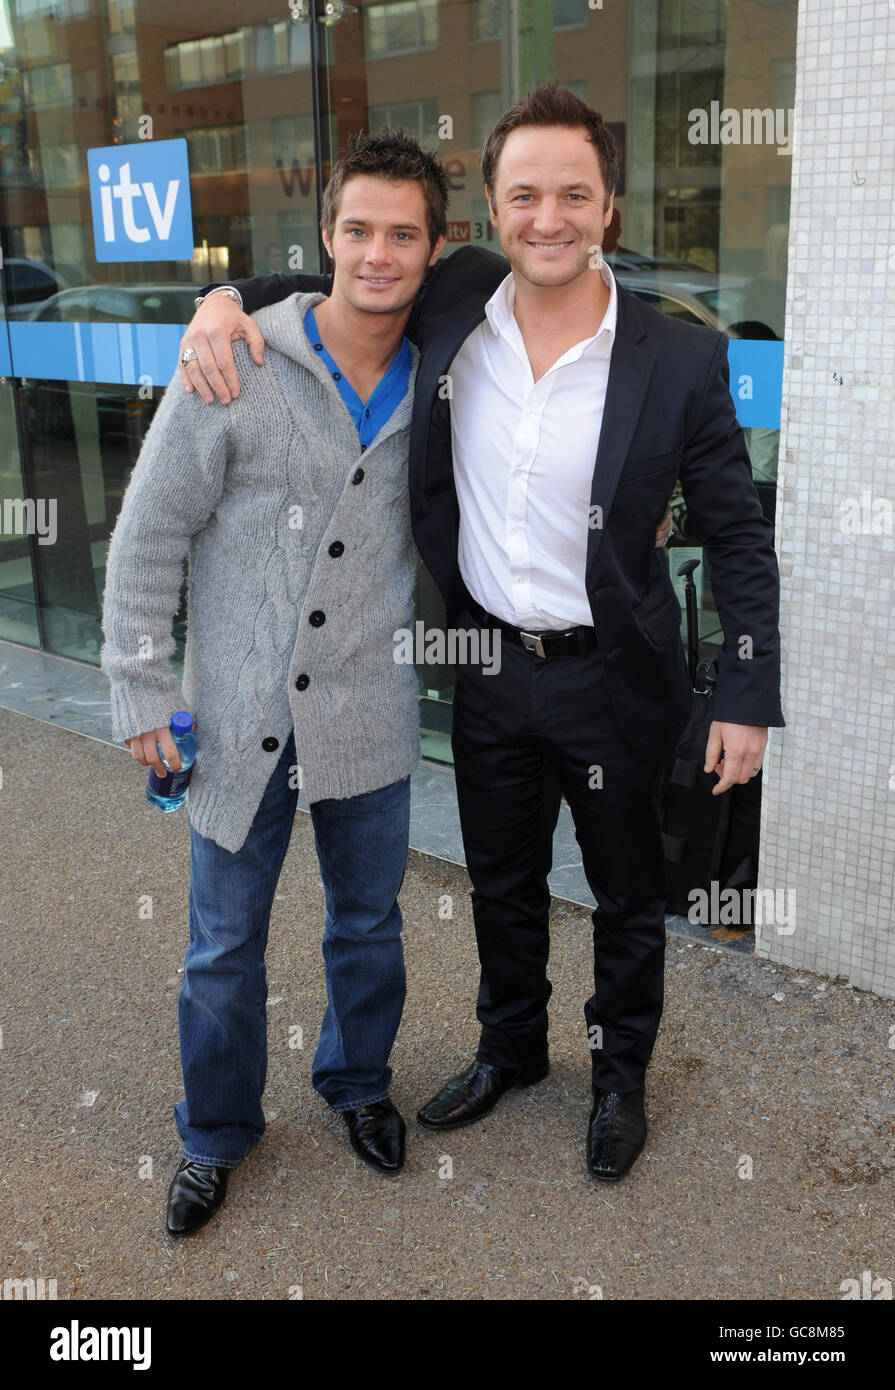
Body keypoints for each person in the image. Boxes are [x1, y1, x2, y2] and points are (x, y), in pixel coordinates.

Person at [179, 84, 775, 1185]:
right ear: (492, 215)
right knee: (500, 881)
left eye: (573, 195)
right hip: (489, 663)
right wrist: (221, 300)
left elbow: (736, 532)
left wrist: (744, 693)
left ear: (608, 207)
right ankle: (511, 1049)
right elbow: (329, 280)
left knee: (625, 894)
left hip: (617, 675)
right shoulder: (455, 297)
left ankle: (616, 1077)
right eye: (524, 195)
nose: (547, 217)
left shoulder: (677, 360)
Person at [100, 130, 450, 1238]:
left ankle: (355, 1084)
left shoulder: (443, 372)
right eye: (359, 230)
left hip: (369, 711)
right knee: (221, 945)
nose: (378, 253)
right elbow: (150, 532)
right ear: (326, 238)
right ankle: (213, 1132)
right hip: (239, 709)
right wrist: (140, 688)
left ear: (436, 249)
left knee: (367, 925)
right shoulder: (237, 359)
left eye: (404, 233)